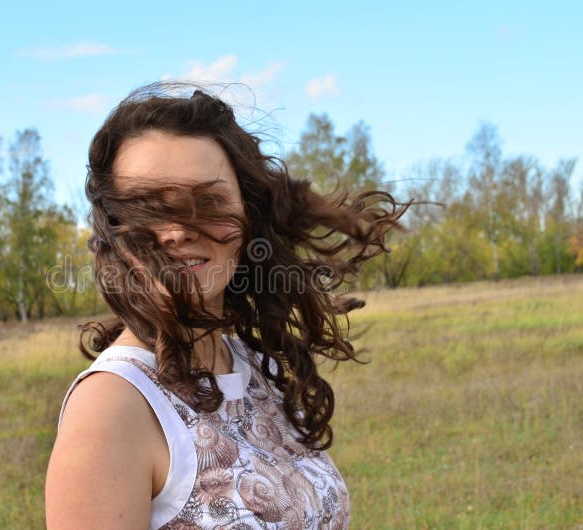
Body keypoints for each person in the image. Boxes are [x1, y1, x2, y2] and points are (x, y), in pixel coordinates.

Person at [45, 82, 412, 529]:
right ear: (114, 229)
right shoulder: (111, 410)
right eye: (148, 207)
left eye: (208, 202)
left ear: (249, 218)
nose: (178, 231)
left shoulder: (256, 367)